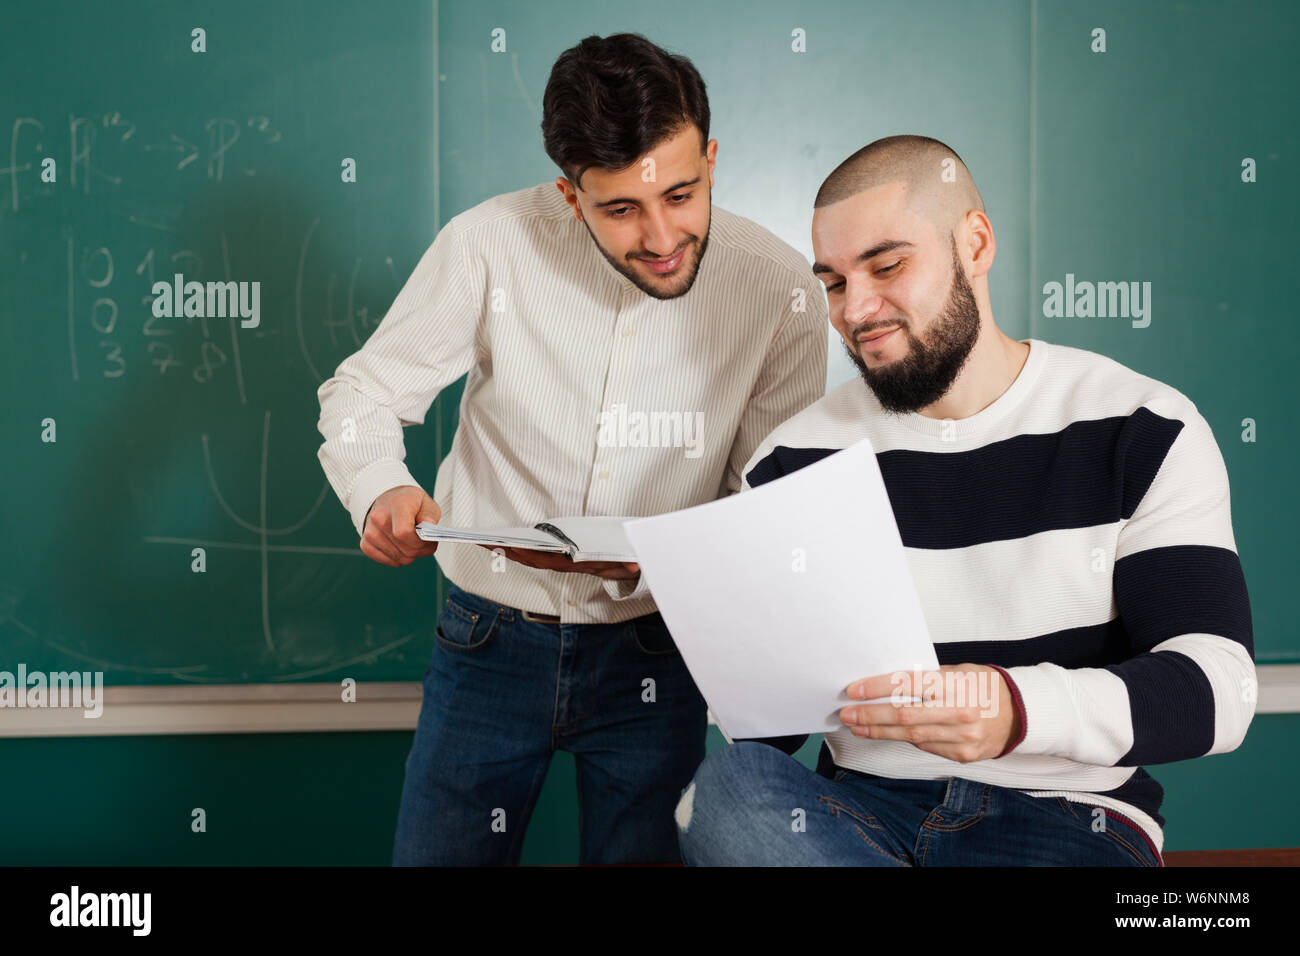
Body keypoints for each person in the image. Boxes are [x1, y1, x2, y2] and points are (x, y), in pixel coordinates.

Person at [315, 33, 827, 865]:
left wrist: (687, 563)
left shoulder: (781, 293)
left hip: (658, 652)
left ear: (711, 154)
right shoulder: (488, 244)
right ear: (569, 194)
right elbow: (362, 395)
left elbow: (766, 505)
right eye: (621, 209)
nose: (662, 236)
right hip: (485, 642)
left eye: (683, 193)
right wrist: (378, 489)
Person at [674, 135, 1255, 866]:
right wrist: (711, 618)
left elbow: (1218, 687)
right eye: (834, 283)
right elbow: (767, 739)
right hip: (857, 818)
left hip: (1070, 820)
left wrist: (1014, 711)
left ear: (974, 244)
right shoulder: (792, 463)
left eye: (887, 266)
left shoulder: (1141, 428)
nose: (857, 310)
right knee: (727, 789)